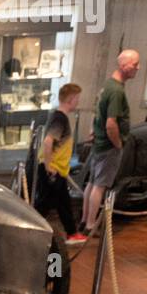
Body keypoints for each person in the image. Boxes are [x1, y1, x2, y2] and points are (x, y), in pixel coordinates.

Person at [80, 49, 141, 237]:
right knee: (99, 185)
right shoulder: (116, 91)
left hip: (100, 143)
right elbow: (110, 123)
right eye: (135, 64)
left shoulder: (108, 86)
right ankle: (90, 224)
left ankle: (84, 220)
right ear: (124, 66)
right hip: (108, 145)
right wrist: (118, 144)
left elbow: (98, 115)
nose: (138, 68)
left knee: (92, 183)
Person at [33, 82, 85, 243]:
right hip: (53, 169)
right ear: (70, 99)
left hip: (56, 168)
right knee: (46, 204)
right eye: (77, 98)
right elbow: (49, 142)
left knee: (60, 203)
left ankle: (71, 232)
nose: (78, 102)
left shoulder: (57, 117)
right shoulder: (60, 118)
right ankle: (70, 232)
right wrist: (49, 166)